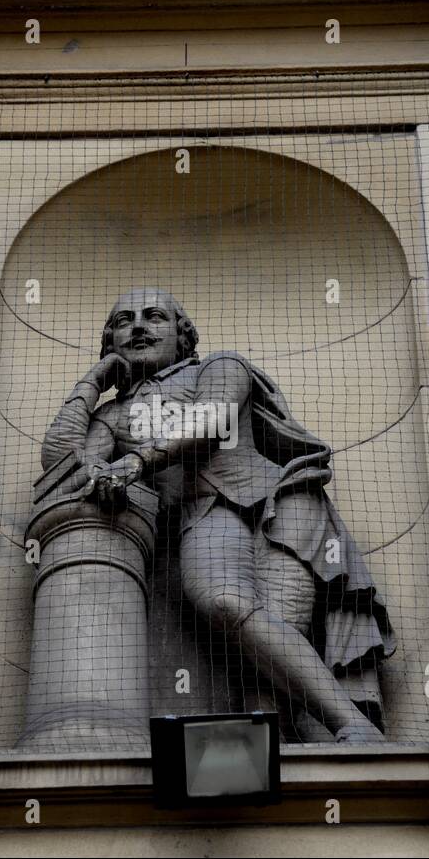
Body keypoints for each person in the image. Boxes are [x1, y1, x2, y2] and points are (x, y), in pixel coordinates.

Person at [41, 288, 393, 742]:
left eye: (155, 317)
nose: (139, 327)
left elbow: (212, 421)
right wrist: (93, 380)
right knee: (230, 613)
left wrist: (137, 462)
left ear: (182, 335)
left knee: (262, 639)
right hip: (204, 516)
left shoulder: (219, 366)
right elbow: (63, 465)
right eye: (124, 321)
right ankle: (330, 742)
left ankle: (349, 731)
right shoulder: (113, 414)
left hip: (279, 506)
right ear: (112, 341)